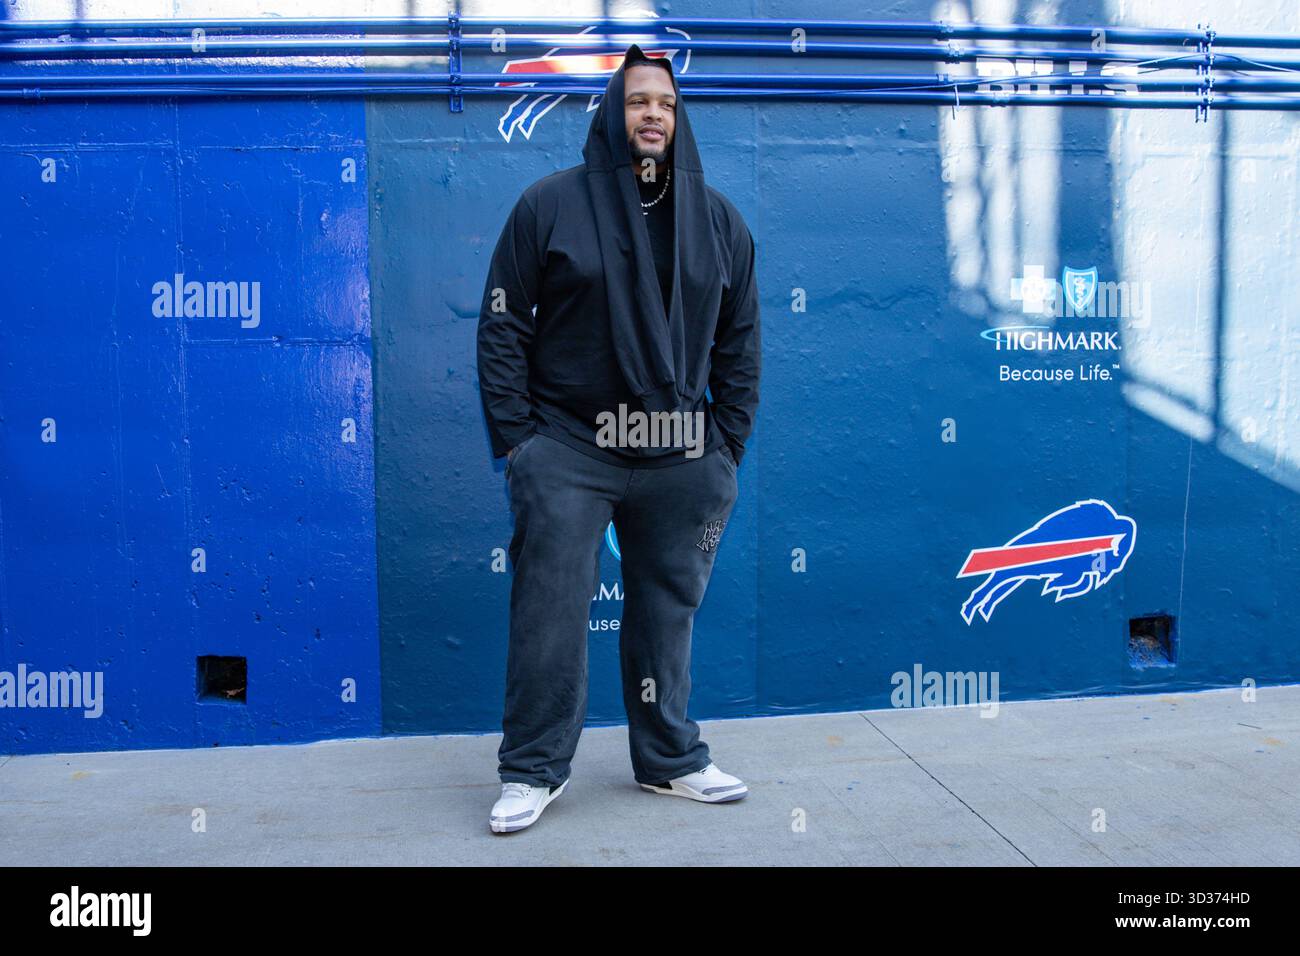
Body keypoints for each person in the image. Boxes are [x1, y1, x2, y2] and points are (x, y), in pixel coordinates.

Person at [476, 44, 761, 833]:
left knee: (667, 612)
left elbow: (740, 341)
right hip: (569, 447)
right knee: (550, 611)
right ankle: (533, 770)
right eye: (639, 102)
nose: (653, 116)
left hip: (680, 450)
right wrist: (518, 444)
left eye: (666, 106)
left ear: (679, 119)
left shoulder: (718, 220)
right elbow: (503, 325)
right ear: (613, 111)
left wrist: (724, 450)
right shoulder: (550, 205)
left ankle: (670, 761)